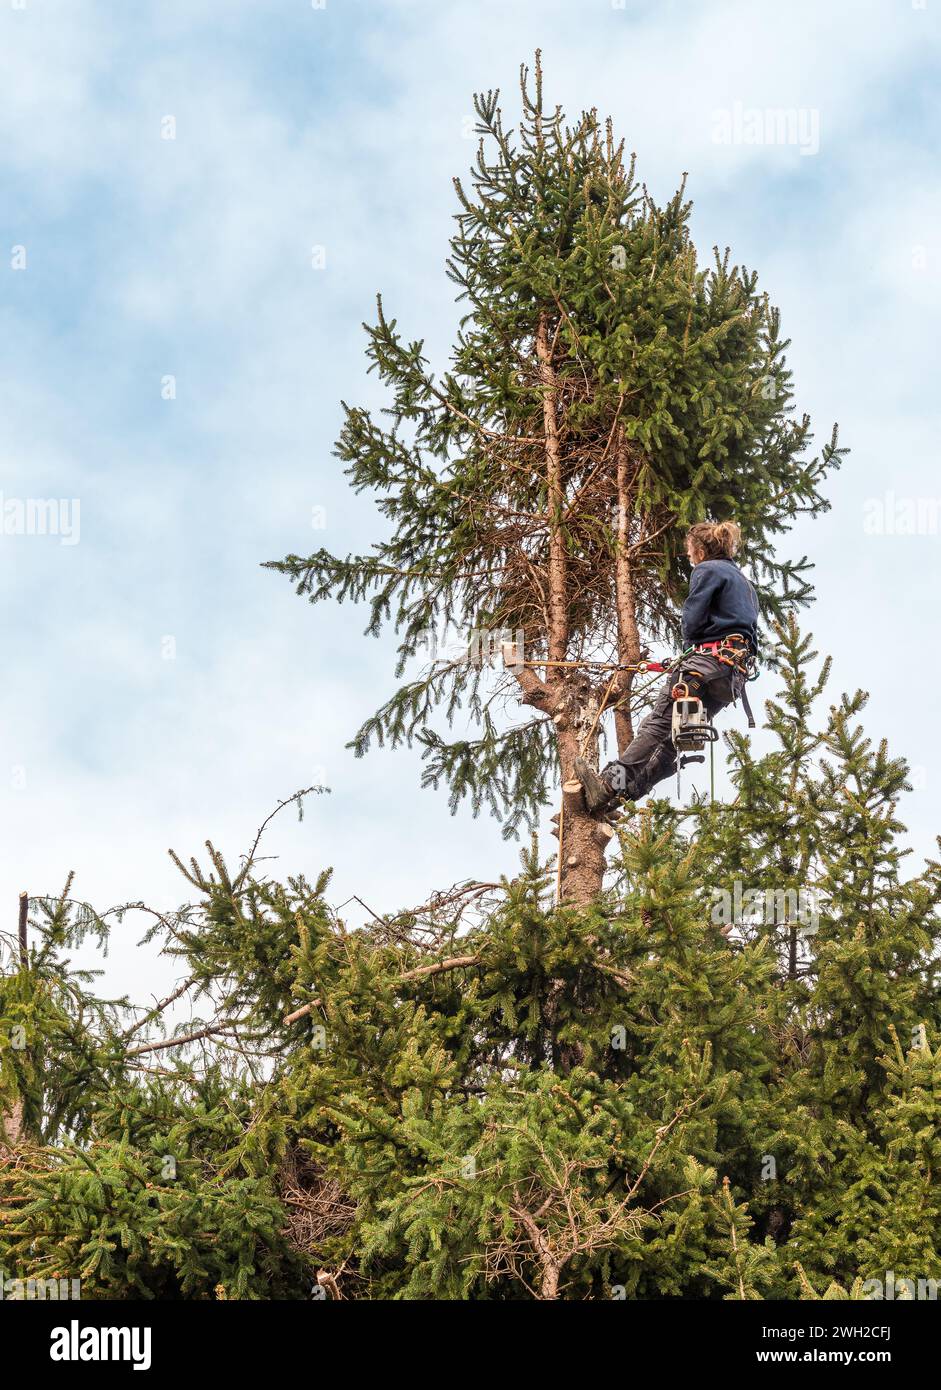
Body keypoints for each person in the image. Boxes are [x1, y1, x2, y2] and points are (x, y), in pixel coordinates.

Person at [575, 520, 758, 815]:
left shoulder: (707, 570)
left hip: (705, 663)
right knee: (677, 737)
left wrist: (689, 651)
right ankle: (625, 793)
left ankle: (608, 785)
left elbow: (693, 619)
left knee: (659, 723)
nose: (688, 557)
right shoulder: (746, 585)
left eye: (689, 551)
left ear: (699, 550)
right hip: (732, 677)